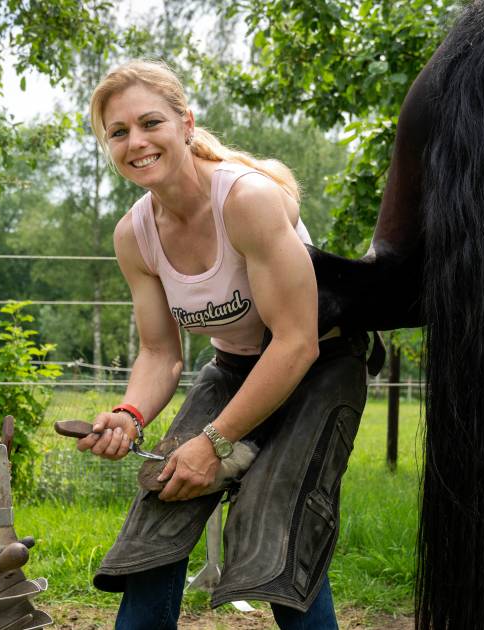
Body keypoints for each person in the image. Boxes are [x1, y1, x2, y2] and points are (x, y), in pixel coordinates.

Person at [78, 59, 368, 630]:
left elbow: (295, 342)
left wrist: (214, 441)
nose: (136, 142)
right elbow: (160, 353)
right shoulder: (134, 234)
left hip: (318, 365)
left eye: (151, 123)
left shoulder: (245, 200)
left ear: (186, 124)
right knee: (160, 509)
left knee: (273, 528)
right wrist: (129, 414)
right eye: (119, 132)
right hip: (234, 367)